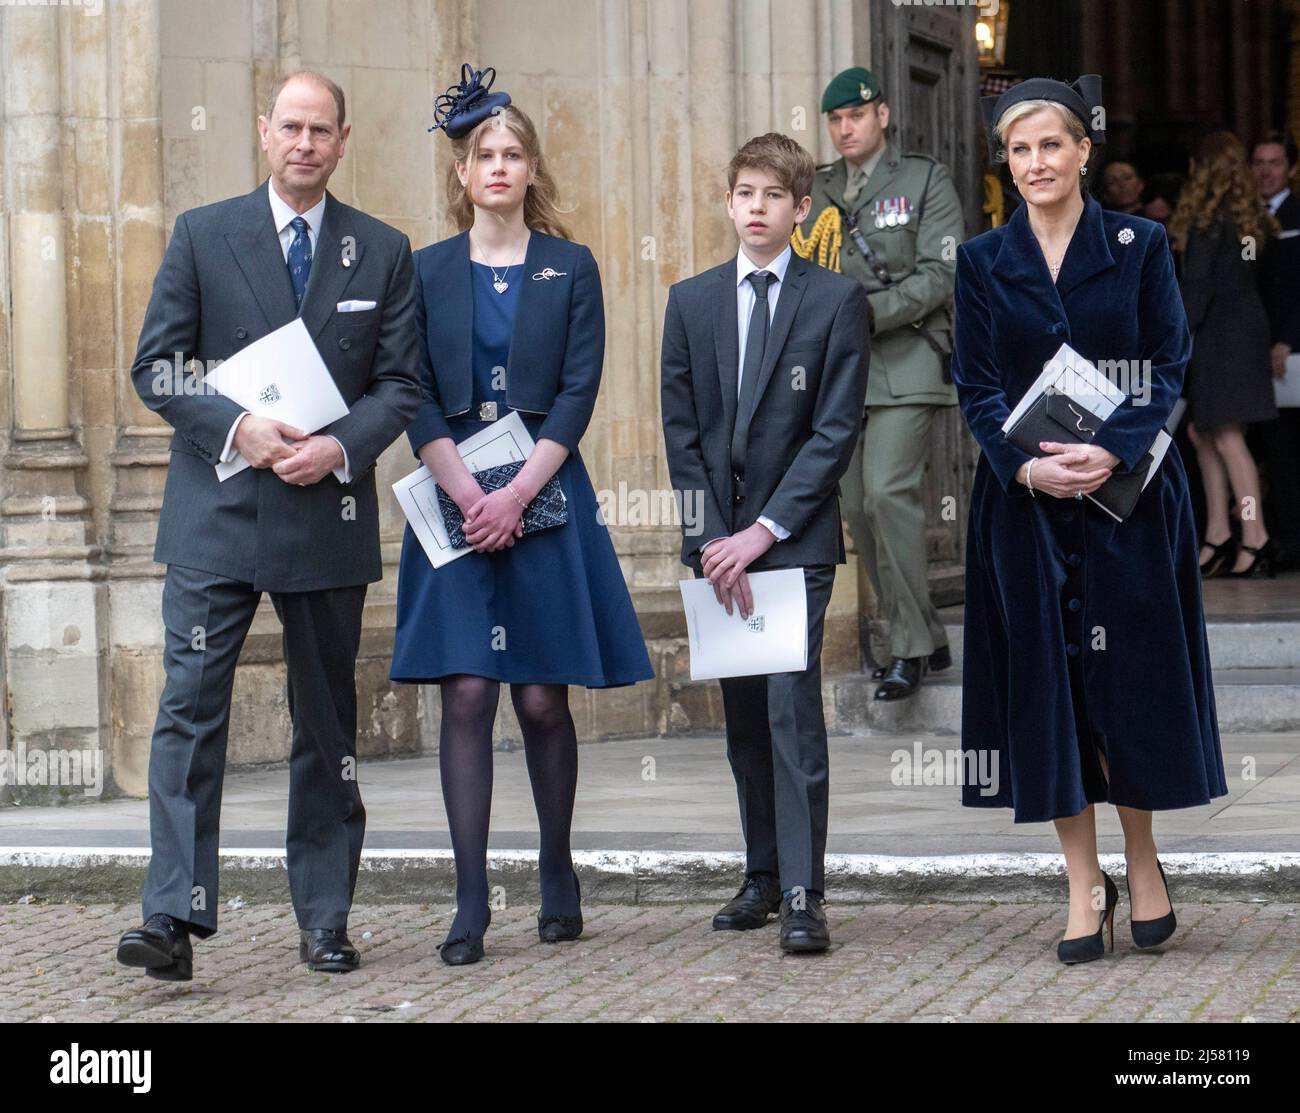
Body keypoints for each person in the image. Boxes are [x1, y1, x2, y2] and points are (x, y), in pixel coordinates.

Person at [116, 71, 422, 979]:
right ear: (262, 132)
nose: (303, 143)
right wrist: (238, 426)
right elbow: (157, 367)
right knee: (188, 712)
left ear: (343, 139)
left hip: (325, 514)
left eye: (320, 130)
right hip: (215, 515)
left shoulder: (384, 249)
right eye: (289, 127)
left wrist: (340, 450)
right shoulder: (203, 235)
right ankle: (172, 915)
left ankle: (325, 916)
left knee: (326, 725)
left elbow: (401, 385)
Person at [953, 75, 1227, 965]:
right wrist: (1027, 464)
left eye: (1051, 146)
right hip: (1026, 509)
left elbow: (1168, 357)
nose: (1037, 162)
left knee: (1128, 687)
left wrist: (1111, 449)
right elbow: (978, 384)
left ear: (1082, 152)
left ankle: (1141, 860)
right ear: (1008, 162)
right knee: (1050, 691)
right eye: (1020, 149)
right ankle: (1082, 881)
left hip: (1131, 502)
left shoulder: (1141, 243)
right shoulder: (982, 261)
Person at [391, 66, 654, 966]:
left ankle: (556, 867)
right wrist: (470, 492)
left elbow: (579, 392)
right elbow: (411, 391)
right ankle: (469, 900)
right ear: (462, 173)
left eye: (512, 153)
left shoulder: (569, 266)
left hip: (545, 494)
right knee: (468, 690)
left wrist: (517, 492)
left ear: (533, 168)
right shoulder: (422, 271)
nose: (498, 167)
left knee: (541, 696)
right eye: (482, 155)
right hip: (454, 497)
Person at [661, 132, 869, 954]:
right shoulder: (692, 301)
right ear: (727, 201)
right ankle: (758, 871)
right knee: (743, 715)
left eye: (773, 196)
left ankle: (802, 892)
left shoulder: (836, 302)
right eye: (744, 192)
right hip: (718, 546)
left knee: (791, 710)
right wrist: (713, 536)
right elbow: (681, 437)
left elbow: (834, 431)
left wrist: (761, 531)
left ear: (800, 208)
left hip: (791, 540)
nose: (756, 208)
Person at [796, 67, 963, 701]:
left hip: (909, 358)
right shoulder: (816, 186)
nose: (844, 129)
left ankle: (910, 649)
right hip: (844, 371)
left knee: (889, 492)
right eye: (835, 120)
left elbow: (942, 272)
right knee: (859, 510)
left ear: (882, 116)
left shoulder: (923, 179)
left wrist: (869, 311)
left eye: (856, 117)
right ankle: (924, 634)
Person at [1170, 131, 1280, 577]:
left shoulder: (1209, 219)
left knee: (1228, 437)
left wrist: (1174, 335)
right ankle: (1217, 534)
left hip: (1220, 336)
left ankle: (1255, 537)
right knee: (1204, 433)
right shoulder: (1243, 214)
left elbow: (1197, 289)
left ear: (1202, 168)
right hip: (1240, 332)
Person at [1252, 132, 1300, 570]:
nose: (1266, 171)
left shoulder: (1298, 215)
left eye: (1275, 163)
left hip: (1291, 355)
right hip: (1251, 355)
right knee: (1271, 453)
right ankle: (1279, 539)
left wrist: (1289, 337)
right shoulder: (1245, 216)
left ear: (1290, 168)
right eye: (1259, 162)